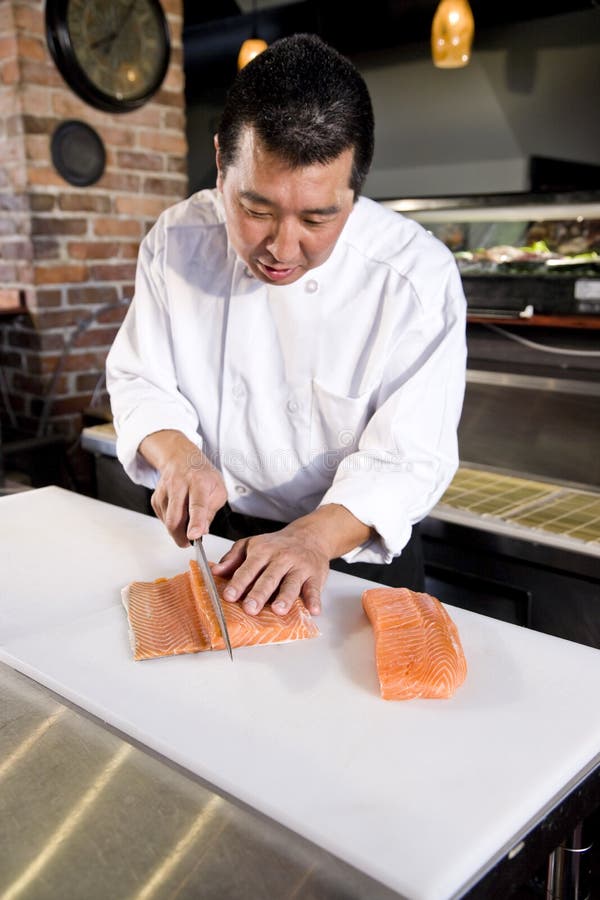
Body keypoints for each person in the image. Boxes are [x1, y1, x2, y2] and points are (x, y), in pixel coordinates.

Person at [106, 33, 467, 620]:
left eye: (318, 218)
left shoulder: (413, 276)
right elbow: (140, 378)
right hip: (219, 538)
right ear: (222, 160)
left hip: (350, 548)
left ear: (355, 194)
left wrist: (311, 540)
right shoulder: (176, 240)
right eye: (255, 209)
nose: (281, 247)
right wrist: (179, 457)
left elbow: (410, 456)